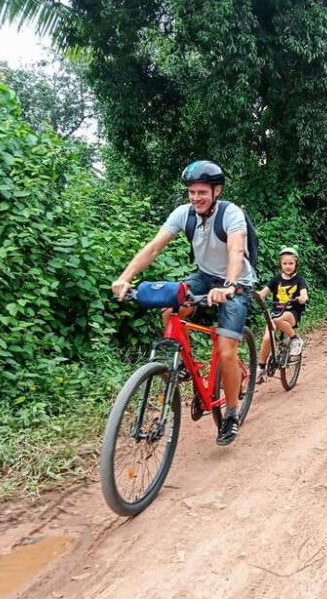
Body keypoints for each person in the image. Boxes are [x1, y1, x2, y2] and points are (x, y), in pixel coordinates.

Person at [111, 160, 255, 446]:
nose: (196, 198)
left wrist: (228, 286)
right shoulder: (184, 213)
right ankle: (185, 365)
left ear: (216, 190)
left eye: (202, 192)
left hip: (236, 282)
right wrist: (125, 277)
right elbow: (153, 248)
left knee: (227, 352)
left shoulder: (231, 214)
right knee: (170, 307)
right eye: (191, 192)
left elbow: (236, 249)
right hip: (204, 276)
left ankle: (231, 414)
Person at [255, 247, 309, 383]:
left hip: (291, 313)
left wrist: (303, 297)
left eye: (291, 263)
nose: (288, 266)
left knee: (278, 319)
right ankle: (261, 367)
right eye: (285, 263)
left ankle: (295, 339)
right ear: (281, 264)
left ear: (296, 264)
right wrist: (257, 296)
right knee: (267, 338)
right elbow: (264, 292)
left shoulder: (299, 280)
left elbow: (304, 293)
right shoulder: (276, 279)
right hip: (276, 313)